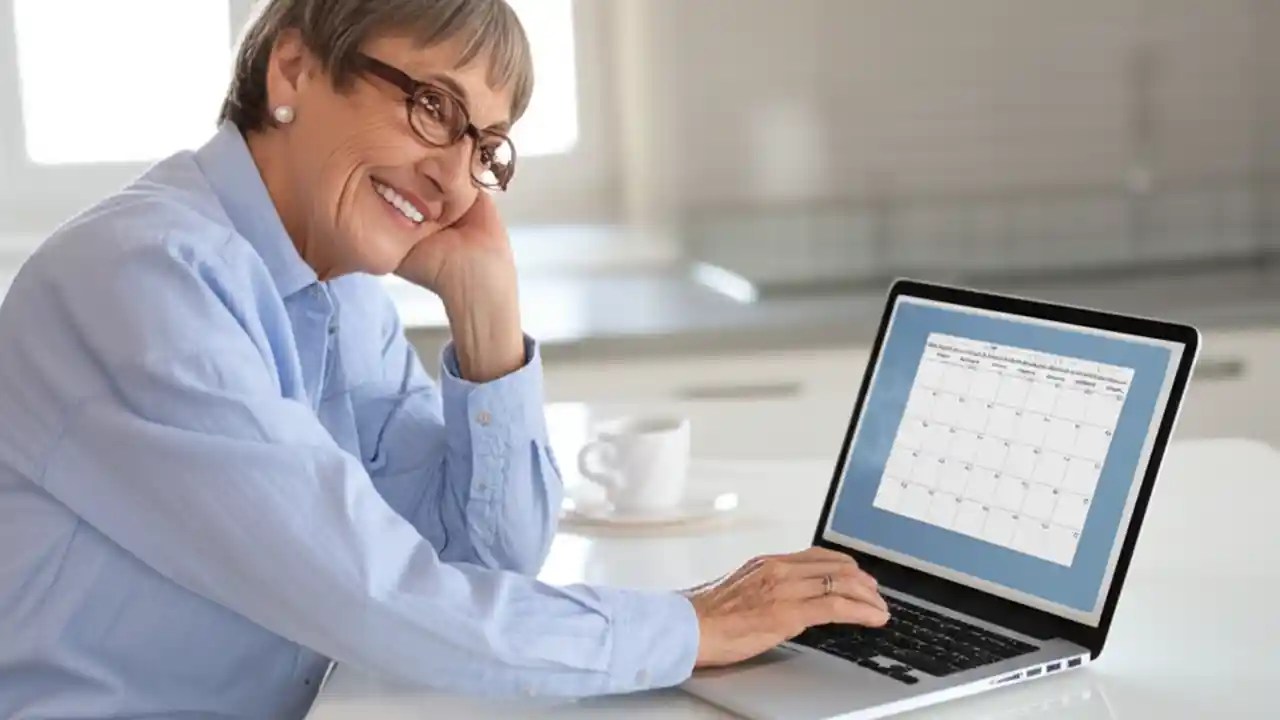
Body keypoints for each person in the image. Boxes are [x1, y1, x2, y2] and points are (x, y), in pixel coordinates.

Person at [0, 1, 889, 717]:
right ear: (295, 70)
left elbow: (483, 560)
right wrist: (687, 628)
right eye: (434, 108)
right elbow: (372, 594)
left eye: (485, 147)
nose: (456, 180)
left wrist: (486, 306)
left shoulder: (334, 285)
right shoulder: (148, 280)